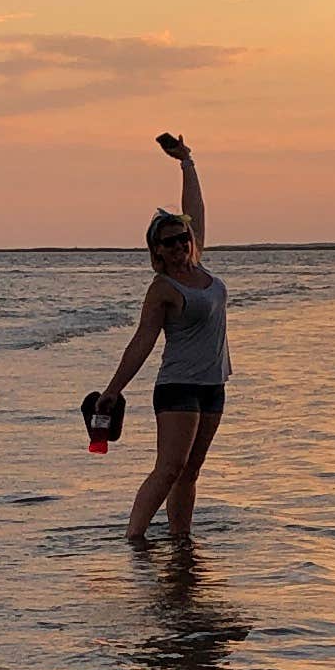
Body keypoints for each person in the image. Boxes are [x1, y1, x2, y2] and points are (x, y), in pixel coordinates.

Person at [96, 134, 229, 548]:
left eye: (182, 238)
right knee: (169, 467)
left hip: (212, 385)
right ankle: (134, 538)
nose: (178, 245)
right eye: (168, 242)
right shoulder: (163, 289)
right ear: (156, 250)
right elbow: (142, 342)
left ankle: (180, 539)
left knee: (191, 471)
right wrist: (113, 390)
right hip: (178, 387)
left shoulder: (200, 266)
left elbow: (196, 210)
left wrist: (186, 161)